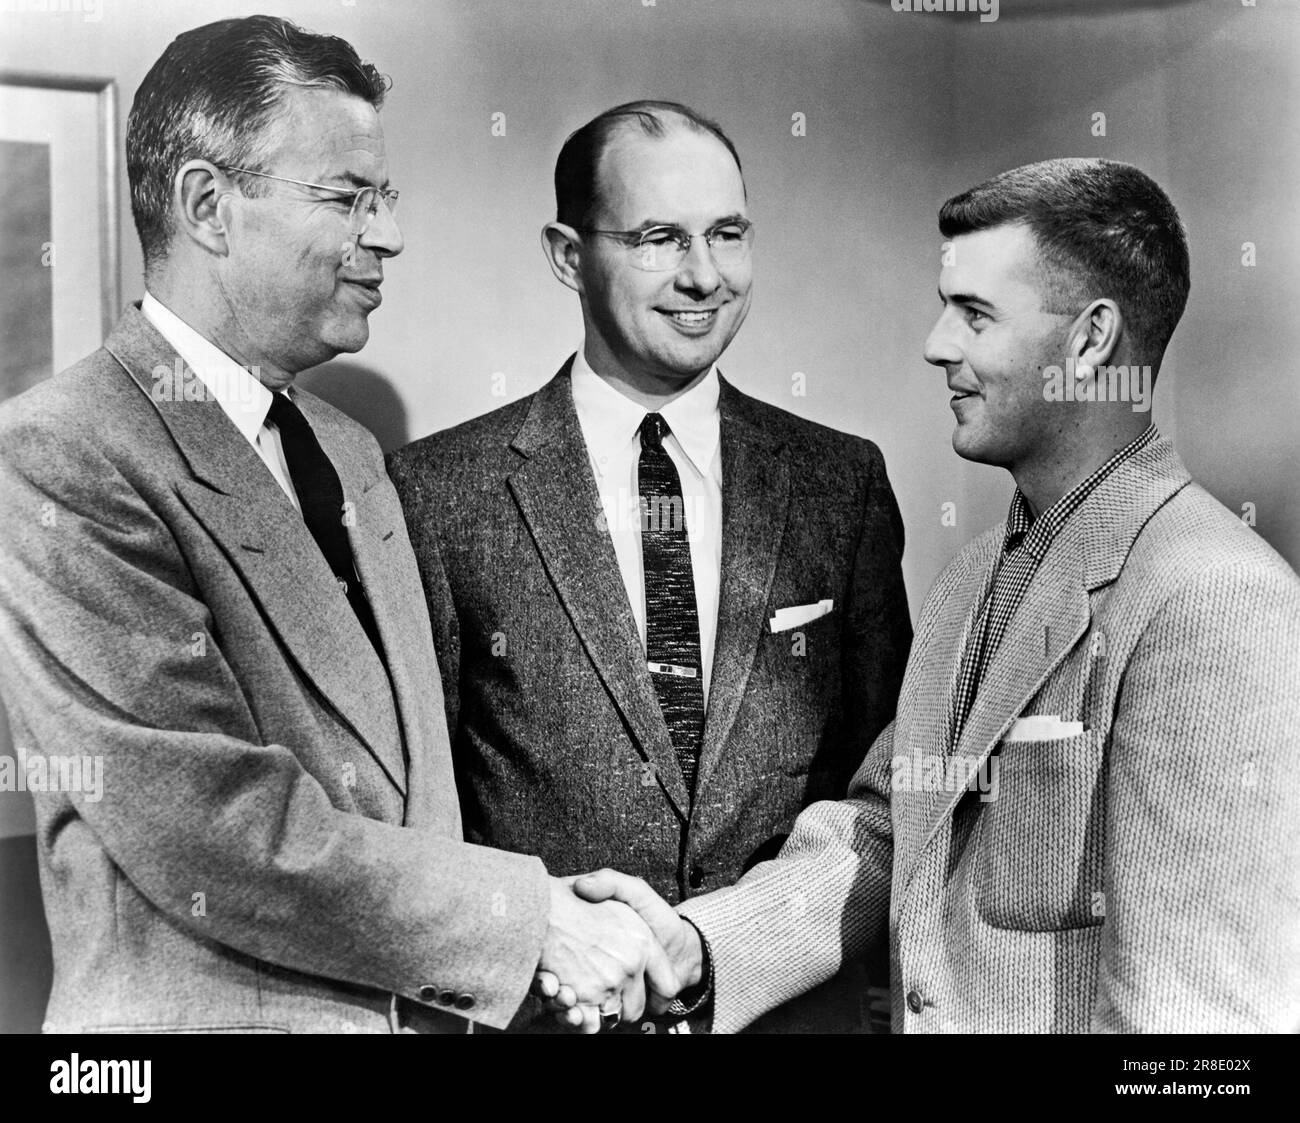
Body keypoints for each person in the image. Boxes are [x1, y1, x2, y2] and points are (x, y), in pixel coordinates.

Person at [0, 16, 673, 1036]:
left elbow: (414, 792)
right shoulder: (63, 452)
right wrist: (526, 916)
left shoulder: (349, 449)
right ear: (205, 206)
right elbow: (213, 826)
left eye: (385, 197)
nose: (389, 233)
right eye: (347, 198)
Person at [554, 158, 1300, 1033]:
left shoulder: (1215, 599)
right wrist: (696, 946)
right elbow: (887, 827)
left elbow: (1201, 1041)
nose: (936, 343)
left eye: (975, 314)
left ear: (1092, 341)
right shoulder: (974, 574)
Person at [387, 100, 912, 1032]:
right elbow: (419, 824)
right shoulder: (437, 493)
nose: (704, 275)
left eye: (727, 234)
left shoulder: (843, 482)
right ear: (566, 255)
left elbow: (892, 794)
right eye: (660, 238)